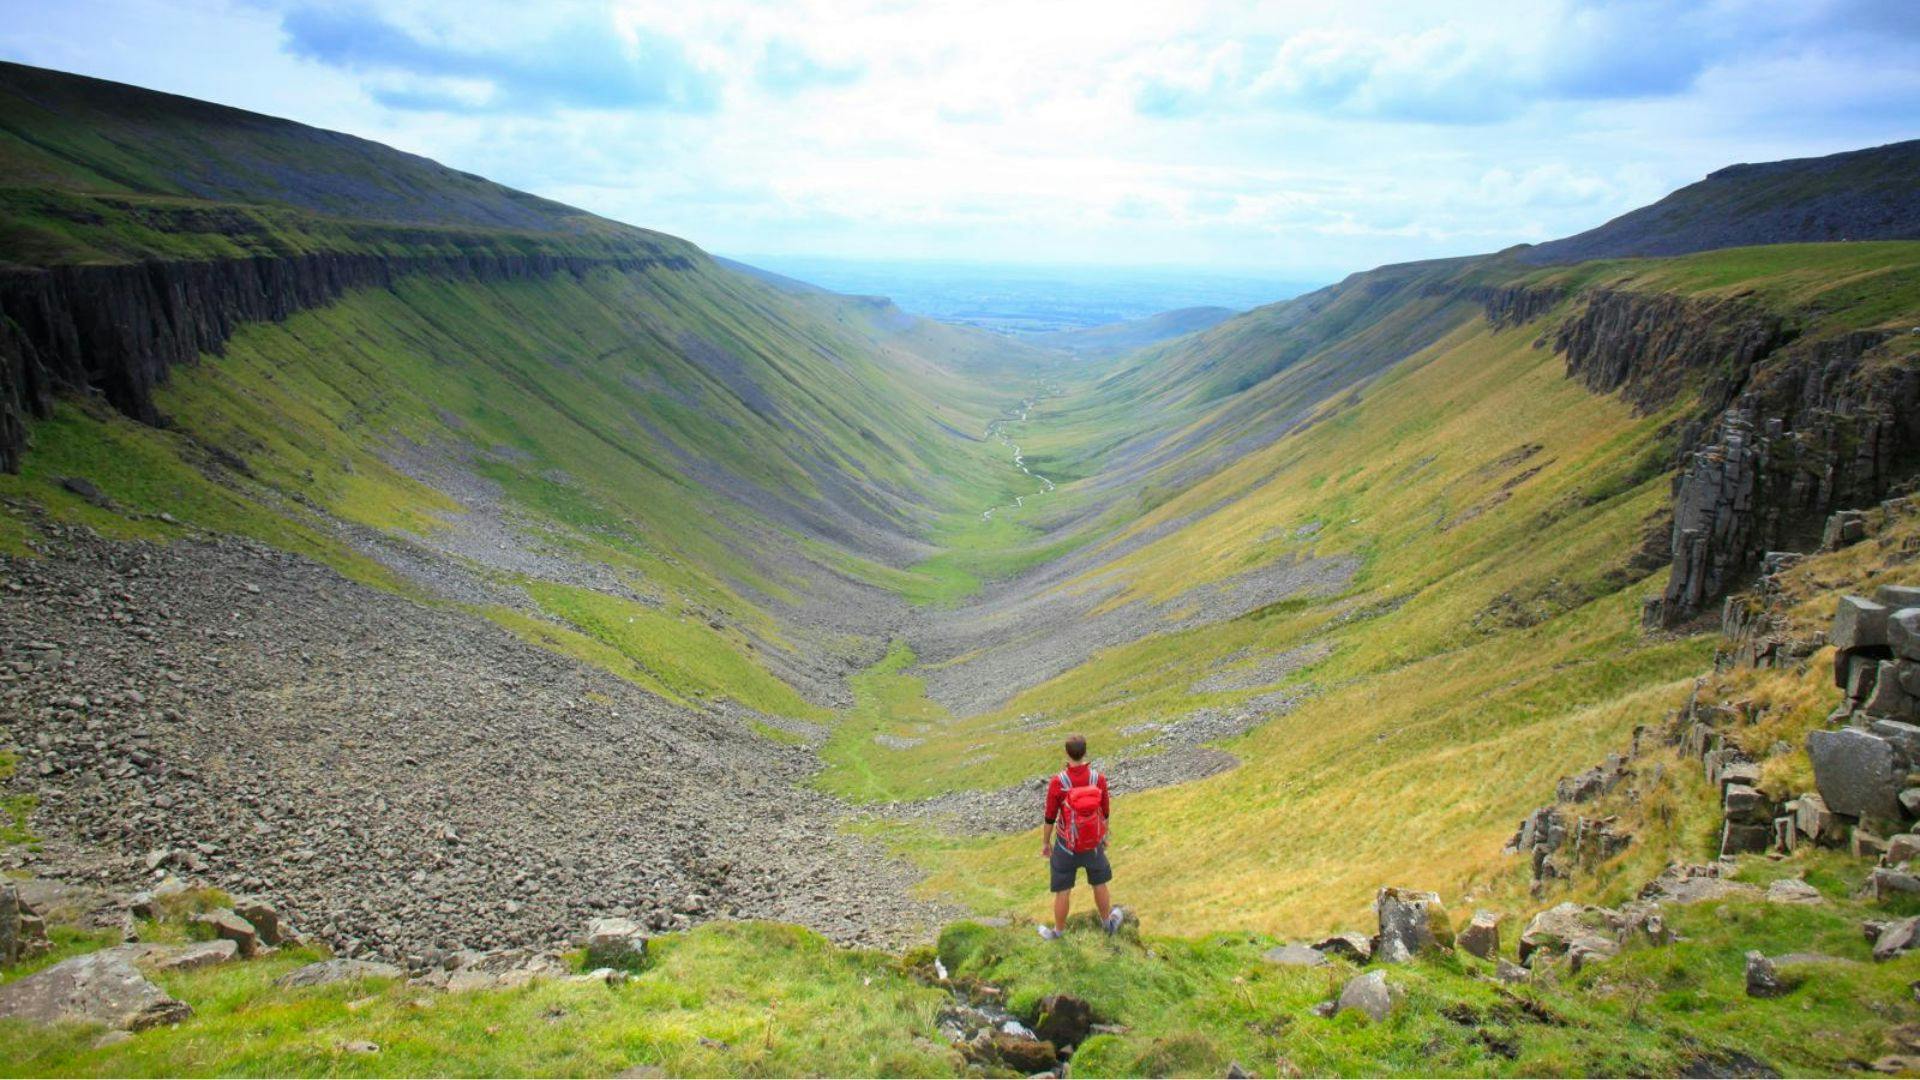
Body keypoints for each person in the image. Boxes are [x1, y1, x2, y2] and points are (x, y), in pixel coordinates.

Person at [1038, 734, 1123, 939]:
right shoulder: (1097, 779)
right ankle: (1107, 924)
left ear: (1067, 753)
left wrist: (1046, 843)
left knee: (1063, 891)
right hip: (1093, 845)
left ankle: (1058, 932)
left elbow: (1050, 817)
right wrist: (1102, 836)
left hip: (1066, 846)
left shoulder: (1059, 782)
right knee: (1099, 883)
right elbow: (1105, 811)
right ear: (1085, 752)